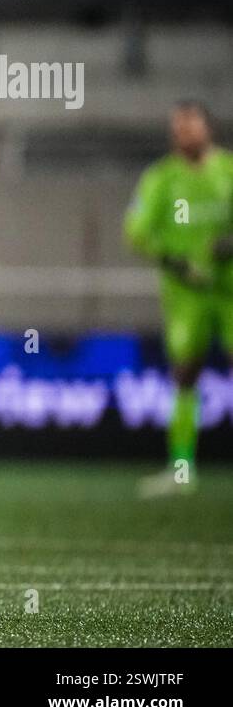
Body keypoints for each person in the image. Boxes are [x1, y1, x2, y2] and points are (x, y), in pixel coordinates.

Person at [125, 100, 233, 497]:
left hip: (230, 291)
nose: (184, 134)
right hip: (187, 296)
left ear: (208, 128)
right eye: (179, 128)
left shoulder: (228, 172)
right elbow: (136, 232)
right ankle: (182, 470)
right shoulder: (161, 179)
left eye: (191, 127)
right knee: (185, 374)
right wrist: (175, 262)